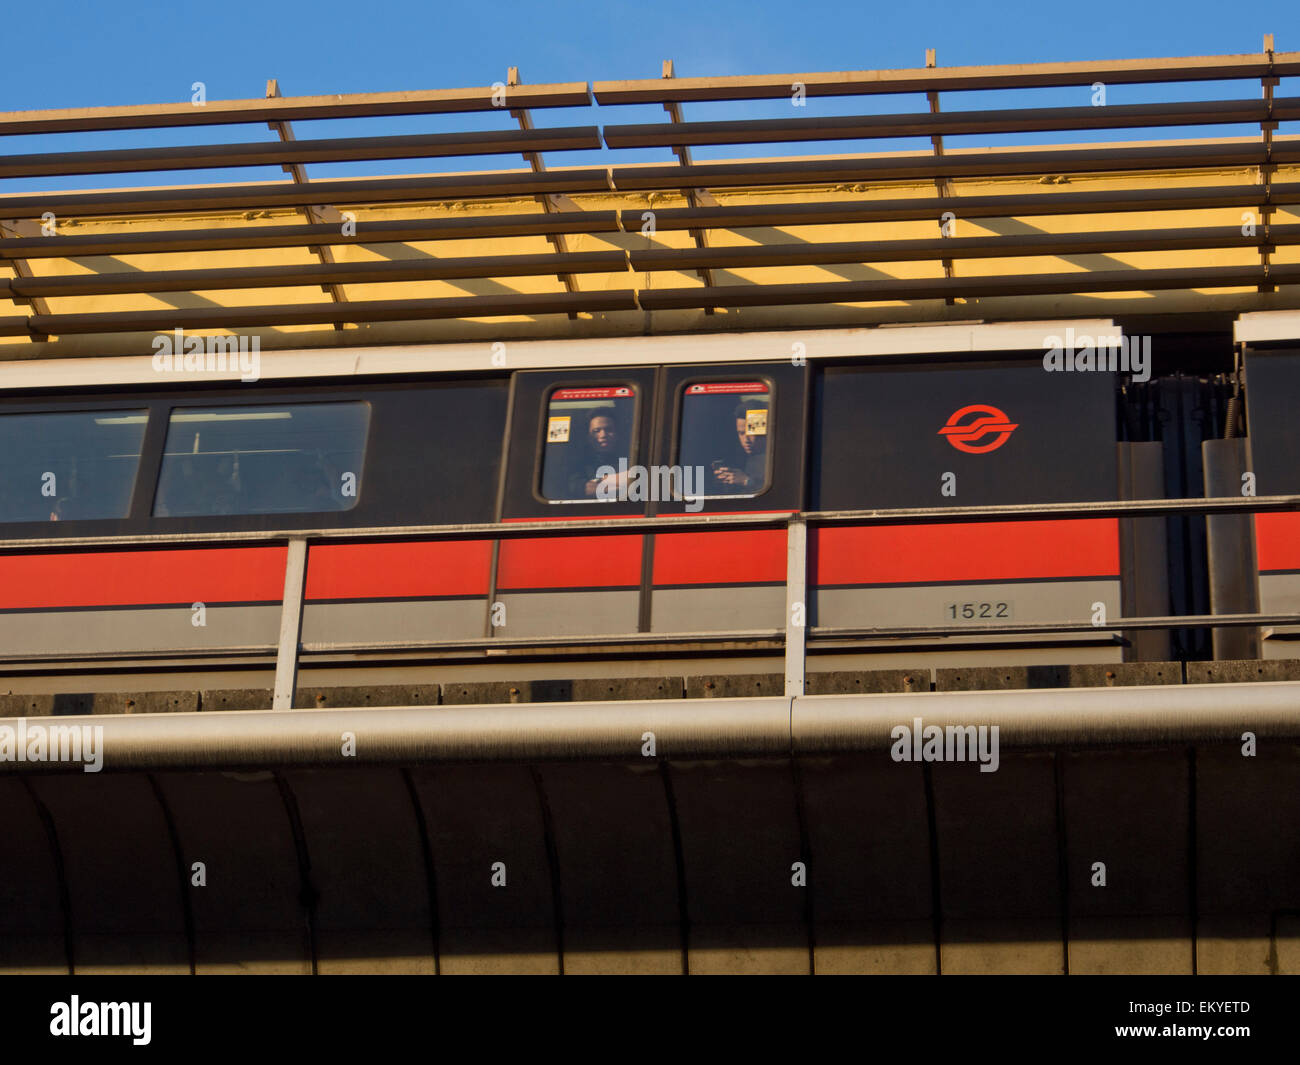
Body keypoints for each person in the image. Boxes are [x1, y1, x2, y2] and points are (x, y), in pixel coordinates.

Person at [711, 400, 768, 493]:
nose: (746, 439)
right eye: (741, 433)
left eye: (751, 433)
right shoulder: (740, 458)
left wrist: (746, 481)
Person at [567, 408, 626, 499]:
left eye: (609, 430)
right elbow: (579, 488)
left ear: (617, 433)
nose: (603, 435)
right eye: (596, 431)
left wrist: (598, 482)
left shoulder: (629, 457)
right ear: (588, 436)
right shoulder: (579, 463)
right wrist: (619, 480)